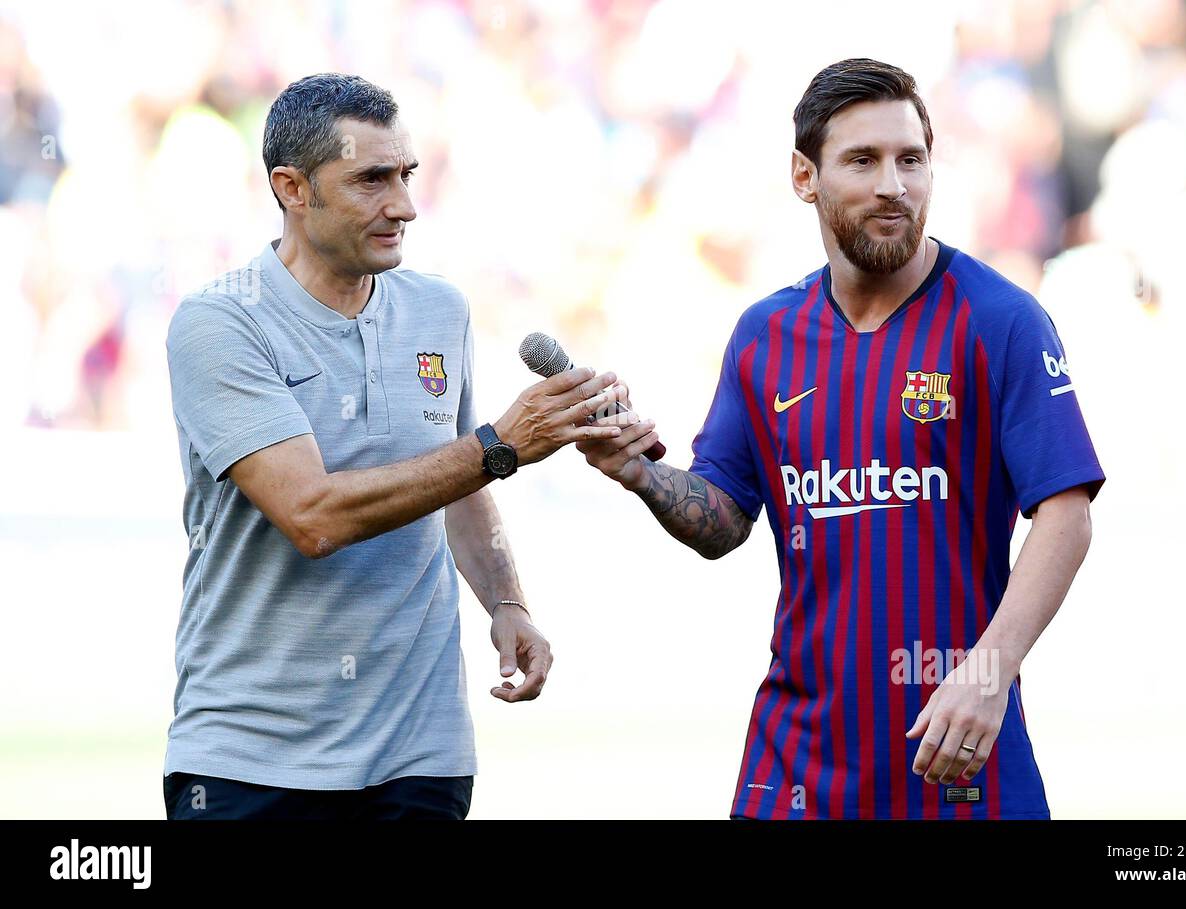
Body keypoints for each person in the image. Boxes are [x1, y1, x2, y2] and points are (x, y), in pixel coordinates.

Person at [577, 58, 1104, 819]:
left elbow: (1067, 511)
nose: (894, 184)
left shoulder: (1000, 320)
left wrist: (991, 669)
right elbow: (723, 517)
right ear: (805, 176)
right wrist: (639, 472)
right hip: (798, 762)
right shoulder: (766, 336)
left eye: (911, 160)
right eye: (863, 160)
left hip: (958, 751)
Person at [162, 73, 623, 820]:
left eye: (406, 174)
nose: (404, 205)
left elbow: (460, 478)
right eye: (371, 180)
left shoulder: (439, 310)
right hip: (250, 758)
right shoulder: (220, 323)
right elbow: (313, 516)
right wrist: (501, 443)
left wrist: (506, 600)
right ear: (292, 188)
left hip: (420, 756)